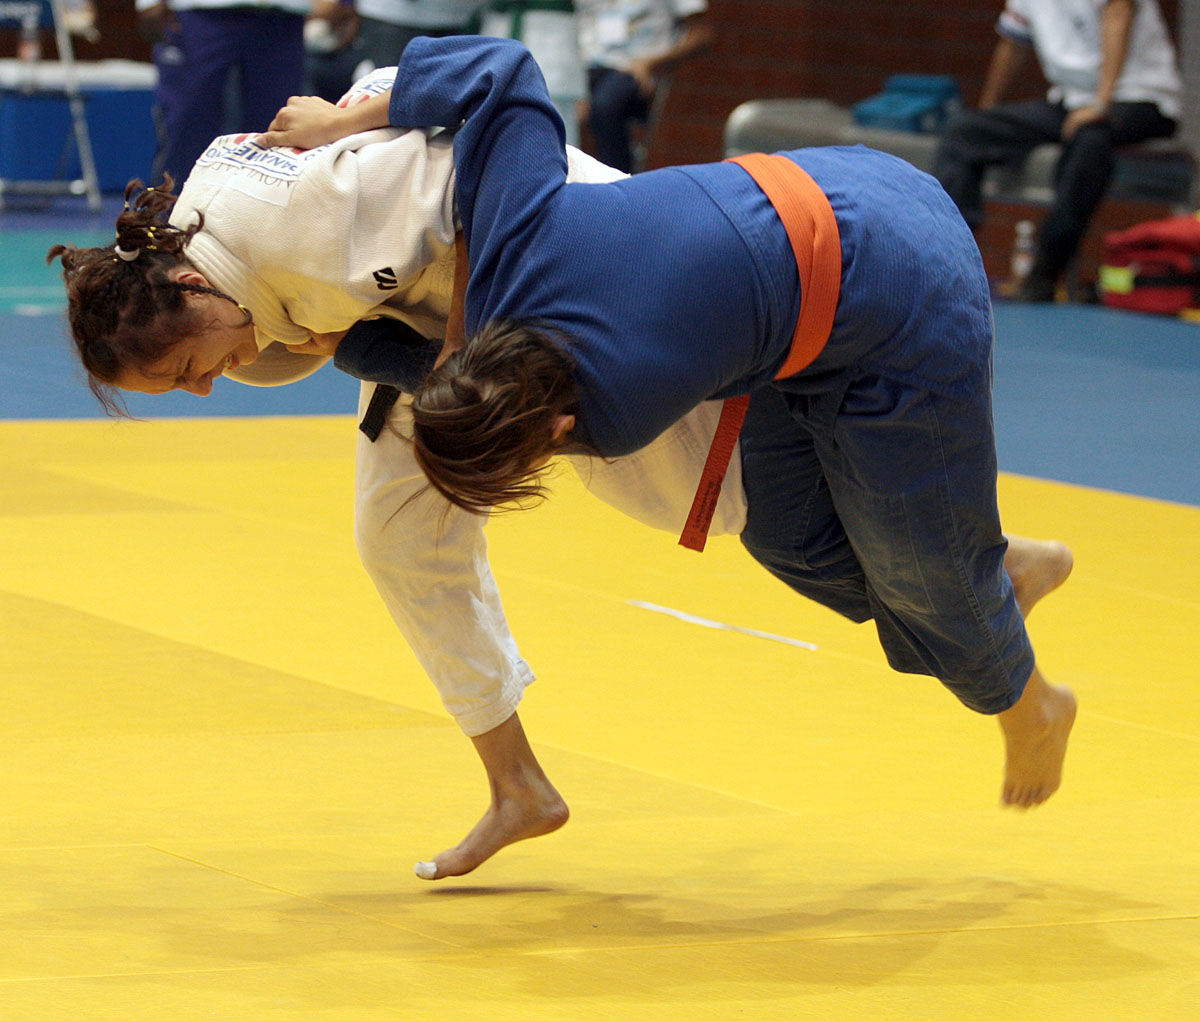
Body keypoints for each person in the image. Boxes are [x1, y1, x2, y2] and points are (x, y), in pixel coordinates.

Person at [257, 35, 1078, 880]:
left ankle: (1029, 703)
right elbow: (501, 74)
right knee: (785, 535)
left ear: (552, 433)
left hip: (902, 285)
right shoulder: (518, 228)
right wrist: (348, 118)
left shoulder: (615, 406)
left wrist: (346, 340)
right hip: (824, 222)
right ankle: (992, 569)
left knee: (926, 583)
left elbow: (449, 373)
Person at [932, 0, 1181, 302]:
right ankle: (951, 262)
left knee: (1089, 141)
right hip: (1070, 103)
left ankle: (1045, 274)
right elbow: (1012, 45)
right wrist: (988, 112)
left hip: (1140, 98)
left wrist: (1101, 103)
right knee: (966, 132)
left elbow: (1119, 12)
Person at [135, 0, 313, 186]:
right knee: (186, 123)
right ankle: (170, 212)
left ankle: (266, 213)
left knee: (277, 128)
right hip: (197, 13)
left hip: (283, 16)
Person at [575, 0, 713, 172]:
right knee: (552, 102)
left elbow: (701, 34)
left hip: (636, 68)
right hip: (585, 66)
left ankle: (619, 186)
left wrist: (651, 64)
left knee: (605, 106)